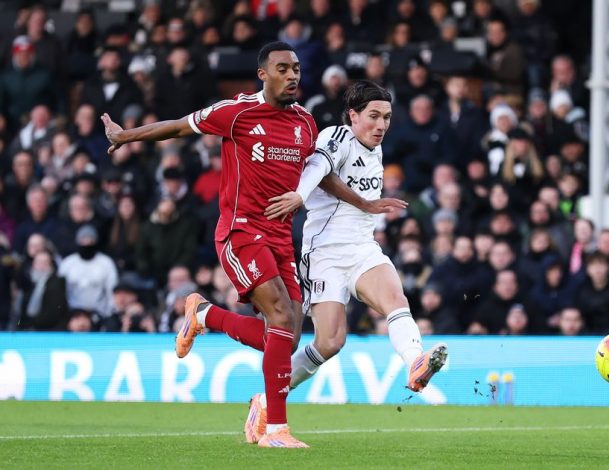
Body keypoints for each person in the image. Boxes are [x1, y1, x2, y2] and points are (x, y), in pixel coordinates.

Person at [102, 42, 329, 448]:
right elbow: (176, 126)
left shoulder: (305, 123)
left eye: (296, 68)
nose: (293, 75)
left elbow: (318, 173)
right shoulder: (236, 113)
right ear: (263, 74)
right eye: (283, 68)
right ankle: (274, 428)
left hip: (281, 237)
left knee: (288, 335)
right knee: (279, 315)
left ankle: (205, 314)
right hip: (241, 231)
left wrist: (362, 202)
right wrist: (126, 136)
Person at [259, 80, 447, 436]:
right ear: (353, 115)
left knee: (396, 299)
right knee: (330, 342)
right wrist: (299, 195)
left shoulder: (374, 149)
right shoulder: (338, 136)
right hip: (325, 254)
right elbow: (317, 168)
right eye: (373, 116)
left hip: (363, 248)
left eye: (387, 117)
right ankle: (267, 403)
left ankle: (415, 362)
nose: (381, 125)